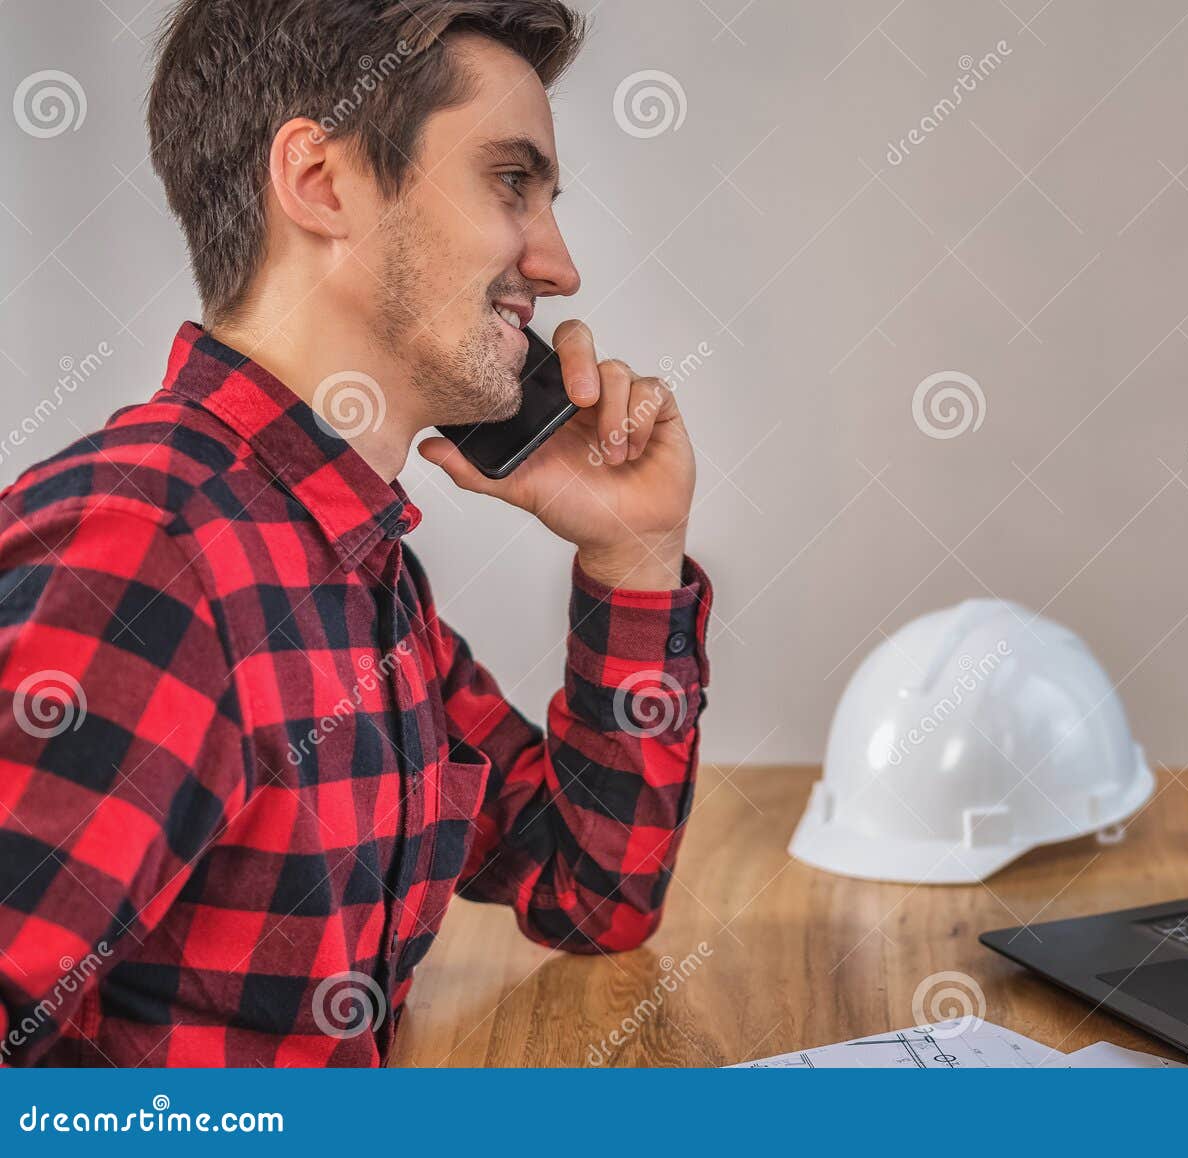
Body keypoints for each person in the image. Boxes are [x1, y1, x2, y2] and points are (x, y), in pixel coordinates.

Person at [0, 0, 710, 1066]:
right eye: (511, 182)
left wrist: (633, 553)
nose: (560, 267)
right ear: (322, 182)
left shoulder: (353, 570)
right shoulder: (152, 552)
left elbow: (593, 891)